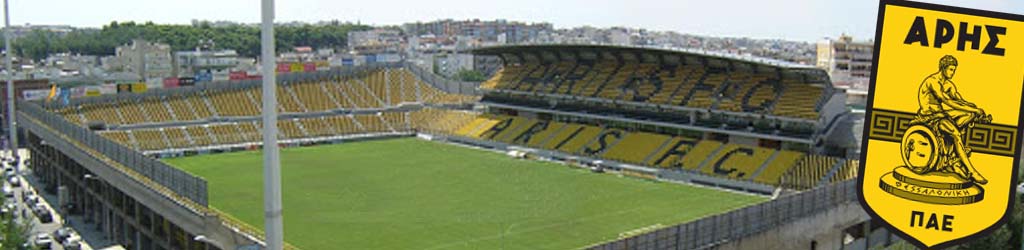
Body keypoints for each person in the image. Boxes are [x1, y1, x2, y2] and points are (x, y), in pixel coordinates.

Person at [913, 55, 988, 184]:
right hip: (929, 118)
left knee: (969, 115)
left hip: (942, 115)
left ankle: (954, 154)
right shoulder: (933, 81)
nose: (953, 73)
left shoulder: (949, 85)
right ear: (943, 68)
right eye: (951, 69)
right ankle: (972, 171)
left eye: (954, 70)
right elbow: (947, 101)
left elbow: (960, 101)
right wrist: (974, 110)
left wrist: (976, 110)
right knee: (956, 133)